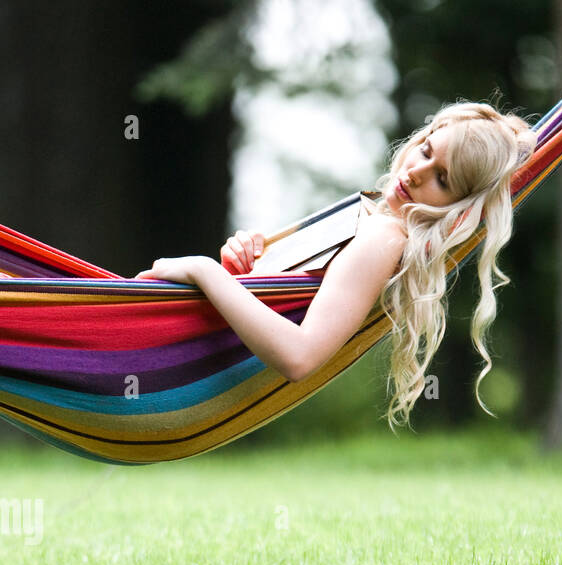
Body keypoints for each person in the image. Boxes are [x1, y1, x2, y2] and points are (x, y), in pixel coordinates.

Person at [136, 101, 536, 427]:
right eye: (426, 150)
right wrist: (241, 272)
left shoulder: (385, 237)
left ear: (458, 210)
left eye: (442, 179)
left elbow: (300, 355)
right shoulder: (371, 221)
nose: (415, 172)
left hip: (153, 360)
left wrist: (203, 273)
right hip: (175, 354)